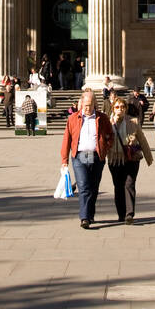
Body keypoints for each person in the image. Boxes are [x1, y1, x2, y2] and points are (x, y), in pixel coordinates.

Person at [60, 88, 113, 229]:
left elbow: (110, 135)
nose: (87, 108)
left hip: (96, 156)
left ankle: (90, 213)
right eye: (85, 105)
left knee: (94, 188)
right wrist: (64, 160)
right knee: (83, 186)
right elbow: (67, 139)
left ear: (95, 103)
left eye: (90, 105)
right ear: (81, 104)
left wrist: (106, 148)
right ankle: (84, 217)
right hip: (79, 156)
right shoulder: (73, 119)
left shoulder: (102, 118)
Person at [107, 93, 154, 224]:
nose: (120, 109)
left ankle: (129, 214)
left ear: (126, 108)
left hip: (131, 158)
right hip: (114, 159)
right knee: (118, 186)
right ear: (113, 109)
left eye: (122, 107)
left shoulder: (133, 122)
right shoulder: (108, 123)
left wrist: (148, 156)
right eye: (117, 107)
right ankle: (121, 213)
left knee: (129, 184)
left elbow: (142, 139)